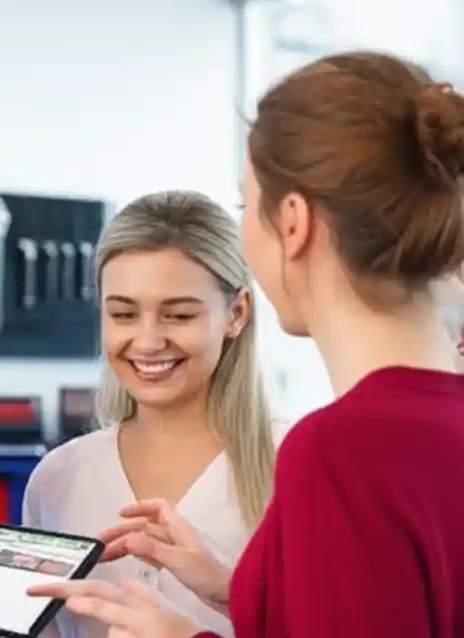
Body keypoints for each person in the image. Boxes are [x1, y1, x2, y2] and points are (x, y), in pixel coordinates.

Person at [26, 51, 464, 637]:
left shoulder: (336, 451)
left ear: (292, 222)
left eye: (243, 206)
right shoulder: (437, 417)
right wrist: (237, 592)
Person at [0, 190, 287, 638]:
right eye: (123, 314)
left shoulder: (293, 468)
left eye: (178, 315)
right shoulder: (58, 478)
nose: (147, 341)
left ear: (236, 314)